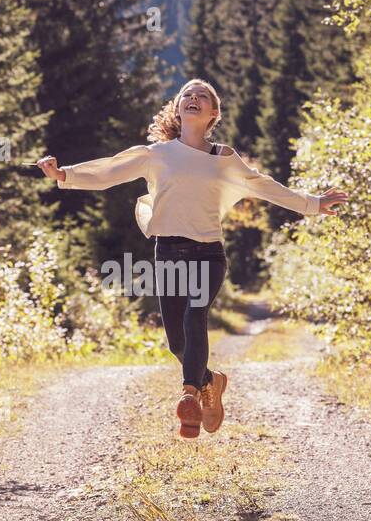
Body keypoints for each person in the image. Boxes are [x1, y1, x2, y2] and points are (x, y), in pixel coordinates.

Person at [37, 78, 348, 438]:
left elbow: (262, 184)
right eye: (187, 95)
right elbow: (109, 171)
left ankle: (189, 395)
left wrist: (313, 203)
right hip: (167, 252)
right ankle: (210, 382)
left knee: (194, 316)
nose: (193, 99)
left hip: (207, 253)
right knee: (177, 343)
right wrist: (64, 175)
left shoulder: (223, 158)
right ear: (178, 108)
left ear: (213, 113)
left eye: (203, 97)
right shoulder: (157, 154)